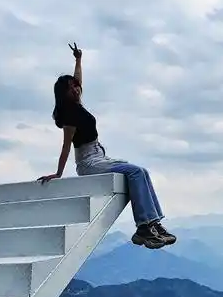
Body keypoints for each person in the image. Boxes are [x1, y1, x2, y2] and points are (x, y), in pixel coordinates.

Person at [38, 43, 177, 250]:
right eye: (71, 88)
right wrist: (58, 173)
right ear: (64, 94)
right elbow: (66, 146)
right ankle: (144, 227)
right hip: (89, 162)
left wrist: (78, 60)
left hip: (99, 157)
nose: (76, 88)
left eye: (76, 86)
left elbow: (78, 80)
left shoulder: (77, 105)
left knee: (142, 171)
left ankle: (154, 224)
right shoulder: (69, 116)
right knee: (136, 172)